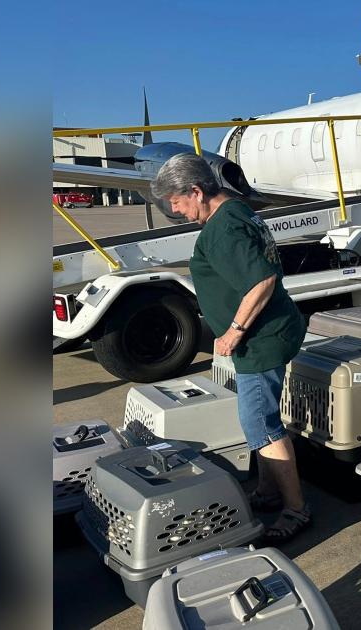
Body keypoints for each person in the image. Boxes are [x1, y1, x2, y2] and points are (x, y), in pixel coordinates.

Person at [151, 153, 311, 542]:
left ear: (196, 191)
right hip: (273, 329)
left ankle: (296, 509)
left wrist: (234, 331)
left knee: (261, 424)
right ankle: (269, 492)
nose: (177, 212)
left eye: (177, 203)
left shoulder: (223, 229)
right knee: (261, 418)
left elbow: (261, 281)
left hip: (260, 340)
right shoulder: (237, 210)